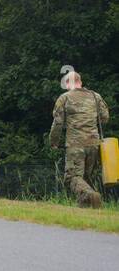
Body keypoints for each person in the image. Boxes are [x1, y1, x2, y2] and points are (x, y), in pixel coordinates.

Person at [50, 70, 109, 208]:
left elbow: (58, 122)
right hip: (94, 144)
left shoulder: (64, 98)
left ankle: (91, 195)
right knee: (86, 178)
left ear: (68, 83)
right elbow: (105, 118)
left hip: (76, 145)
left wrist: (53, 141)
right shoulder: (96, 96)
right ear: (80, 82)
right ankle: (87, 208)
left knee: (72, 178)